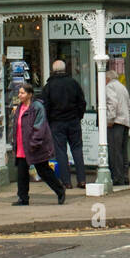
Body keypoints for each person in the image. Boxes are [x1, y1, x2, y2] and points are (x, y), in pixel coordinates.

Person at [7, 83, 66, 206]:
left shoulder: (37, 107)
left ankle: (60, 190)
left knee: (44, 171)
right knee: (22, 173)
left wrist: (34, 142)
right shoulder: (19, 108)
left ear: (29, 94)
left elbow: (40, 126)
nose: (20, 95)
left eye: (22, 93)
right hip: (22, 145)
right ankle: (23, 198)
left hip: (35, 145)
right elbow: (16, 127)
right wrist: (14, 143)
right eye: (19, 93)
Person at [41, 59, 88, 189]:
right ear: (65, 69)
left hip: (57, 123)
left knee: (60, 151)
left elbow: (46, 106)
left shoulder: (49, 86)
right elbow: (82, 102)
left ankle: (66, 182)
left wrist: (49, 120)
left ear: (53, 70)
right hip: (73, 121)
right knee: (77, 149)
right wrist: (79, 116)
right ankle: (82, 179)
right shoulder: (73, 83)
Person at [105, 69, 130, 186]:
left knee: (114, 151)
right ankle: (125, 176)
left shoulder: (109, 87)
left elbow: (112, 103)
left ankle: (117, 177)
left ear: (107, 78)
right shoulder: (122, 87)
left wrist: (109, 120)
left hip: (116, 122)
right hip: (125, 121)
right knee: (123, 150)